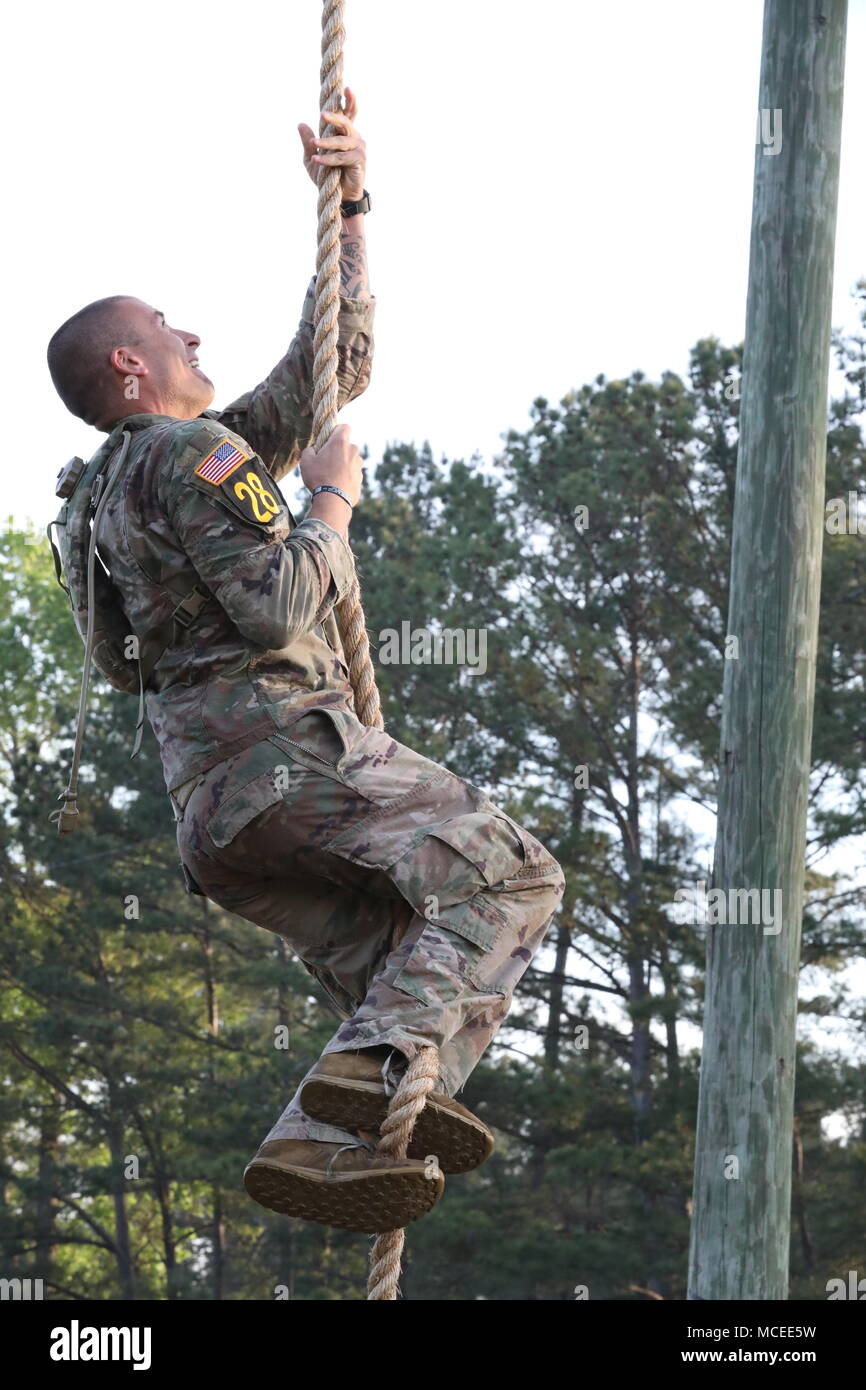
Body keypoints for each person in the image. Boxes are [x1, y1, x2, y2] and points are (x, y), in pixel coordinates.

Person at [47, 88, 566, 1236]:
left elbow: (333, 364)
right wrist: (330, 497)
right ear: (132, 370)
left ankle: (317, 1136)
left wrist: (351, 206)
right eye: (170, 329)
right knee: (513, 877)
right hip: (291, 762)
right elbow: (282, 602)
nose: (193, 337)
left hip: (219, 823)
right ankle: (385, 1067)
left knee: (403, 947)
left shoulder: (103, 498)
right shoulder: (195, 455)